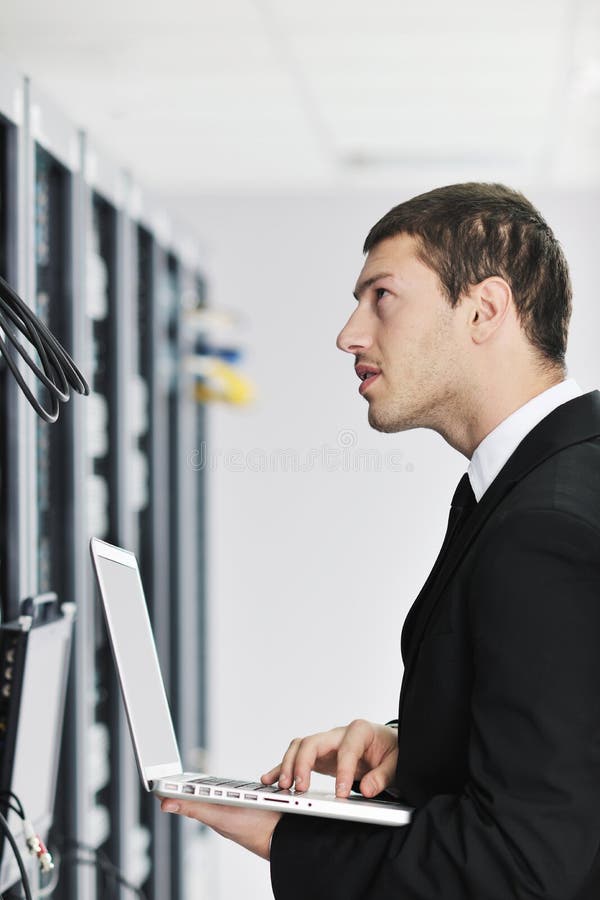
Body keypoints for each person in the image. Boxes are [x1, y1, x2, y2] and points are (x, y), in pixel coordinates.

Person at [161, 183, 600, 899]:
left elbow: (522, 868)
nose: (349, 334)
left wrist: (288, 836)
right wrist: (419, 743)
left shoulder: (543, 527)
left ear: (484, 310)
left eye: (382, 297)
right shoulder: (545, 481)